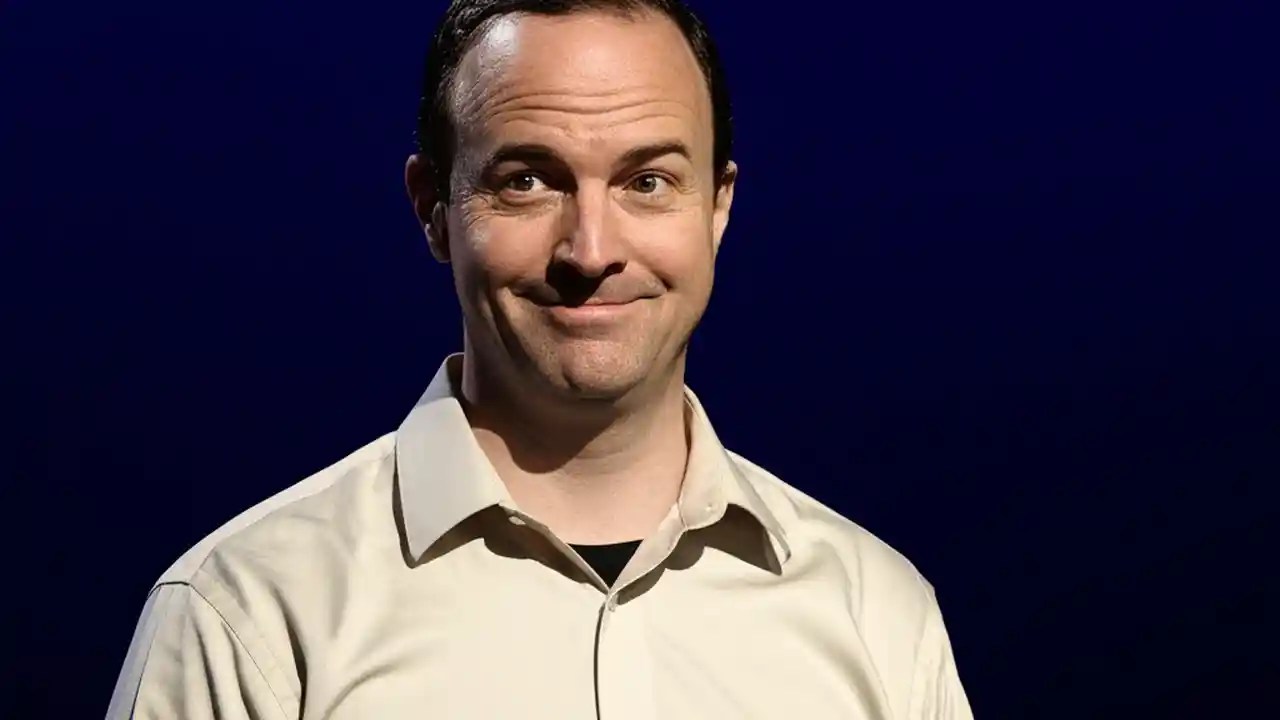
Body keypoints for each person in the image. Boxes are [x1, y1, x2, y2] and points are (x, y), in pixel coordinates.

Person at [107, 1, 974, 718]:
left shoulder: (879, 617)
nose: (591, 250)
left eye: (647, 181)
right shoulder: (247, 614)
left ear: (718, 206)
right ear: (433, 208)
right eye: (527, 180)